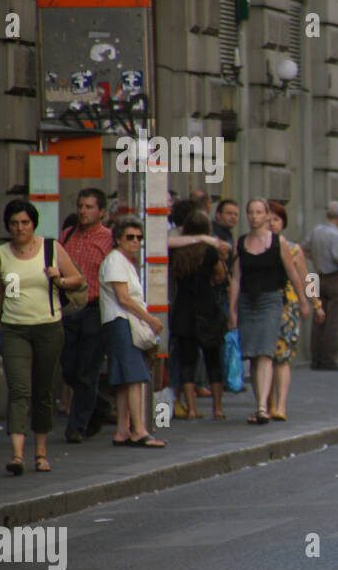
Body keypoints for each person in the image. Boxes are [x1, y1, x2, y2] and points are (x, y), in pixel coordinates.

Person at [0, 199, 85, 474]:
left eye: (25, 223)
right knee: (19, 390)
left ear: (33, 224)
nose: (20, 228)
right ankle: (17, 455)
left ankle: (40, 451)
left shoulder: (51, 249)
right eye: (14, 223)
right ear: (8, 226)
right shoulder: (1, 254)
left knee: (42, 391)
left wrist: (59, 278)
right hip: (14, 328)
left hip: (48, 327)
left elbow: (79, 279)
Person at [229, 198, 310, 424]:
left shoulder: (283, 244)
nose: (255, 217)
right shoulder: (241, 243)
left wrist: (310, 301)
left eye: (259, 212)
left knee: (269, 354)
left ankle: (268, 406)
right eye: (251, 212)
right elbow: (236, 278)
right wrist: (232, 310)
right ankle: (263, 404)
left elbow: (299, 276)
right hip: (248, 301)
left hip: (275, 302)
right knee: (254, 355)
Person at [99, 216, 166, 447]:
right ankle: (138, 430)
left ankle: (122, 430)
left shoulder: (123, 261)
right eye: (130, 237)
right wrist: (150, 320)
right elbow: (124, 298)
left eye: (139, 237)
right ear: (118, 239)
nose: (136, 241)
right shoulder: (116, 261)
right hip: (122, 321)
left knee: (126, 378)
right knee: (135, 377)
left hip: (121, 322)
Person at [58, 188, 114, 443]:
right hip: (68, 308)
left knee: (87, 370)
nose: (82, 211)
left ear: (101, 211)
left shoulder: (109, 240)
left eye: (89, 207)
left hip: (94, 309)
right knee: (68, 367)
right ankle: (101, 405)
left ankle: (77, 426)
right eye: (80, 206)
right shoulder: (68, 235)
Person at [169, 210, 227, 420]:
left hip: (183, 308)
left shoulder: (177, 253)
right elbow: (220, 275)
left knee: (187, 361)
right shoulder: (209, 252)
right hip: (207, 307)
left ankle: (191, 408)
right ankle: (218, 409)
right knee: (213, 360)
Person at [267, 201, 321, 419]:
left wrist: (315, 303)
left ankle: (280, 405)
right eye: (268, 218)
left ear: (283, 223)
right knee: (264, 359)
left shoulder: (293, 249)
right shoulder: (253, 245)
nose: (271, 223)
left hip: (287, 307)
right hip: (260, 306)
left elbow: (306, 277)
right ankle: (266, 403)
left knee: (282, 357)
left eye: (276, 219)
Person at [305, 201, 338, 370]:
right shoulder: (336, 234)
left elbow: (304, 248)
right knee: (334, 320)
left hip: (317, 276)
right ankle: (329, 359)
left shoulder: (317, 231)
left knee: (318, 318)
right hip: (334, 277)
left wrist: (315, 258)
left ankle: (315, 357)